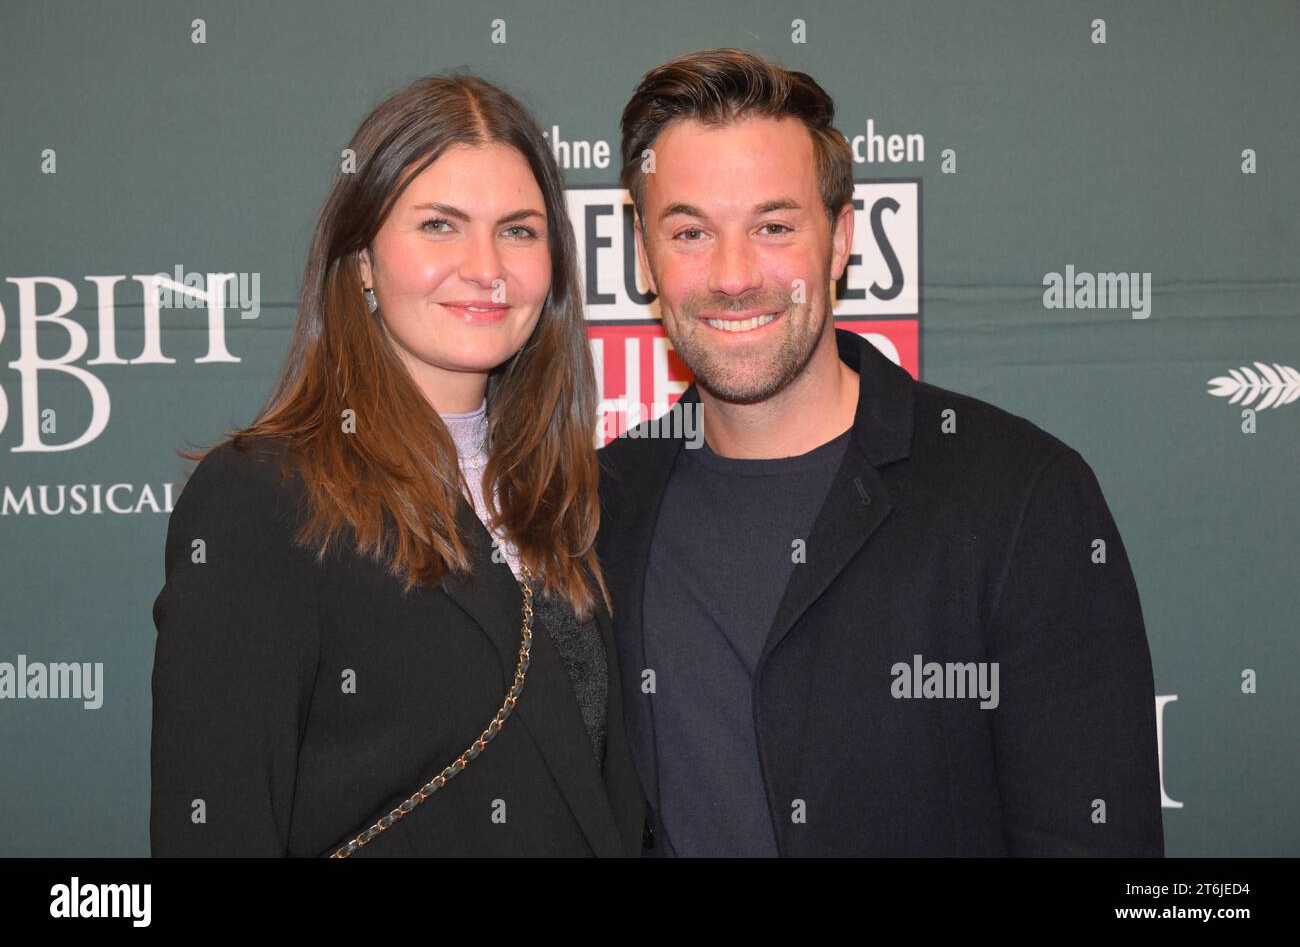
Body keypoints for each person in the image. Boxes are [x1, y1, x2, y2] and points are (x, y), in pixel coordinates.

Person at [598, 48, 1165, 856]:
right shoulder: (598, 506)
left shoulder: (1021, 495)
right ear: (644, 252)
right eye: (690, 231)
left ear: (839, 240)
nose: (732, 276)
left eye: (774, 226)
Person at [150, 74, 644, 857]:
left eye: (519, 230)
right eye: (440, 225)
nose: (486, 266)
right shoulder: (263, 497)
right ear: (363, 263)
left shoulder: (569, 497)